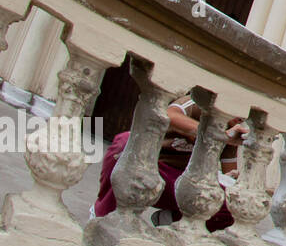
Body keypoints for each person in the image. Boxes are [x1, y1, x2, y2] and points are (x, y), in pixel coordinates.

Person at [92, 91, 247, 230]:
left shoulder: (232, 132)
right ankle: (103, 212)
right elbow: (171, 115)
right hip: (151, 166)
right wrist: (217, 135)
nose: (242, 116)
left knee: (232, 205)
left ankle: (171, 221)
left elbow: (228, 176)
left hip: (179, 181)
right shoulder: (199, 104)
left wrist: (234, 177)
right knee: (126, 143)